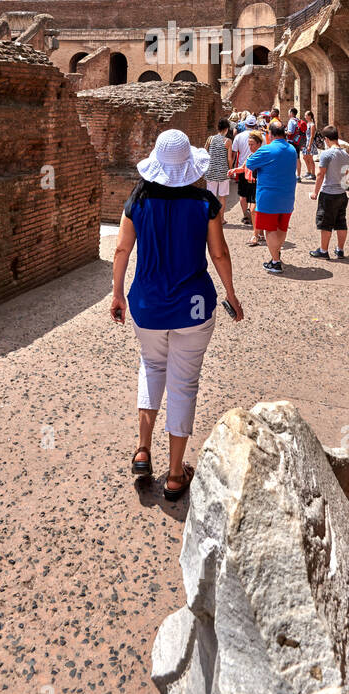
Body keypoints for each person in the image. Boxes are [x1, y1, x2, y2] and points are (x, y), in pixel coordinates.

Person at [111, 129, 243, 501]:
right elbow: (219, 255)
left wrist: (118, 293)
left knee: (152, 367)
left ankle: (142, 449)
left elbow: (122, 250)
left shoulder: (137, 200)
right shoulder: (205, 203)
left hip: (148, 304)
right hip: (194, 306)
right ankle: (173, 474)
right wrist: (231, 294)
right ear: (189, 167)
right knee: (184, 383)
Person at [246, 118, 297, 275]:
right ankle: (277, 253)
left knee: (270, 230)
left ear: (270, 134)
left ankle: (275, 262)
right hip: (287, 196)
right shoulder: (292, 149)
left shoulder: (267, 150)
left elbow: (249, 163)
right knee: (281, 227)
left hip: (269, 197)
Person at [309, 125, 349, 261]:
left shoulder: (327, 154)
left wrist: (315, 193)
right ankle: (340, 250)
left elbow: (320, 174)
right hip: (341, 193)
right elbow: (346, 175)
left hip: (329, 193)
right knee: (341, 222)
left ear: (326, 139)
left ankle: (323, 250)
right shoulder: (345, 154)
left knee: (326, 223)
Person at [230, 130, 265, 247]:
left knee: (254, 210)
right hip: (251, 185)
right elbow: (243, 168)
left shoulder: (263, 155)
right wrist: (234, 170)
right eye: (249, 144)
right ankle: (260, 233)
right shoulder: (251, 155)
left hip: (259, 186)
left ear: (259, 144)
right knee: (254, 210)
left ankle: (256, 235)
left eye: (252, 144)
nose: (250, 147)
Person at [231, 115, 257, 227]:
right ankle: (254, 216)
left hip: (243, 169)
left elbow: (234, 152)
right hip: (256, 169)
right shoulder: (260, 137)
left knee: (243, 194)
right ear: (255, 125)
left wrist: (232, 168)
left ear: (245, 125)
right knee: (255, 194)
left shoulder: (239, 136)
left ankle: (246, 216)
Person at [205, 118, 232, 217]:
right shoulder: (228, 141)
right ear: (227, 129)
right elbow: (229, 159)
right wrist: (230, 170)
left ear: (218, 128)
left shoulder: (210, 138)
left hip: (211, 170)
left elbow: (205, 152)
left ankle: (210, 217)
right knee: (222, 197)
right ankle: (221, 219)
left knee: (210, 196)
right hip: (223, 172)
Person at [302, 110, 317, 181]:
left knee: (310, 159)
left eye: (306, 115)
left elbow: (312, 136)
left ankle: (313, 174)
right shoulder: (307, 124)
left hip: (310, 143)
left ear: (309, 116)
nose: (305, 116)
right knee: (305, 157)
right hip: (306, 142)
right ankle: (309, 172)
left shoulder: (312, 125)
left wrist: (309, 146)